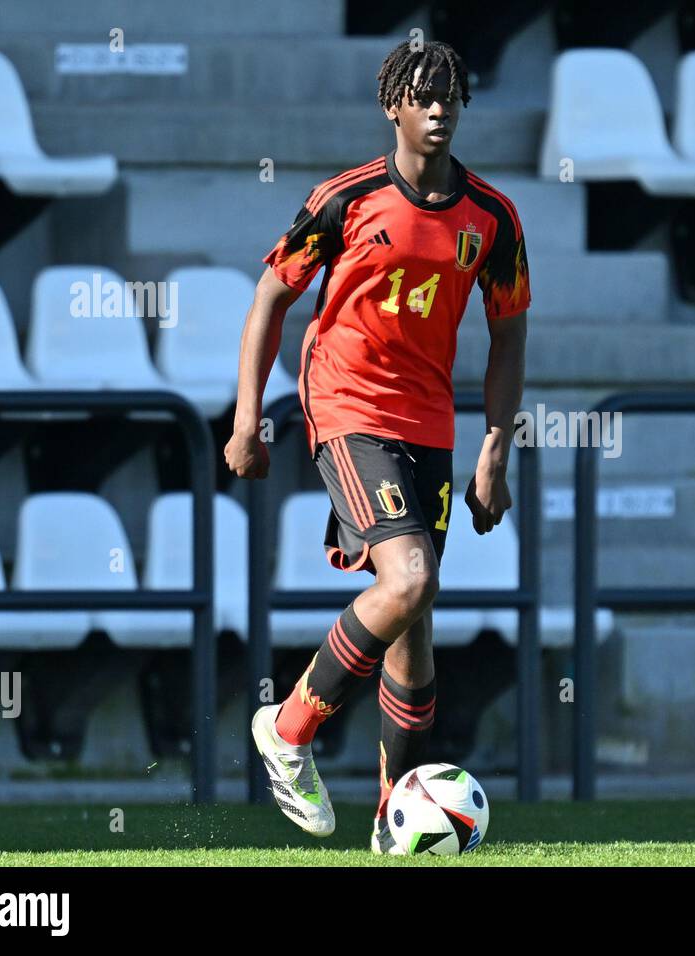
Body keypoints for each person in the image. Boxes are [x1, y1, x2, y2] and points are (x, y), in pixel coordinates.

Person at [224, 40, 530, 851]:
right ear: (391, 105)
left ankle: (395, 814)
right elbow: (270, 296)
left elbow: (509, 333)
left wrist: (495, 446)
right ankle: (288, 731)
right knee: (410, 578)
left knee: (415, 616)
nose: (438, 110)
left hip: (430, 421)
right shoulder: (347, 199)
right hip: (346, 402)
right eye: (421, 97)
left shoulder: (491, 219)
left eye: (451, 97)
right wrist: (247, 417)